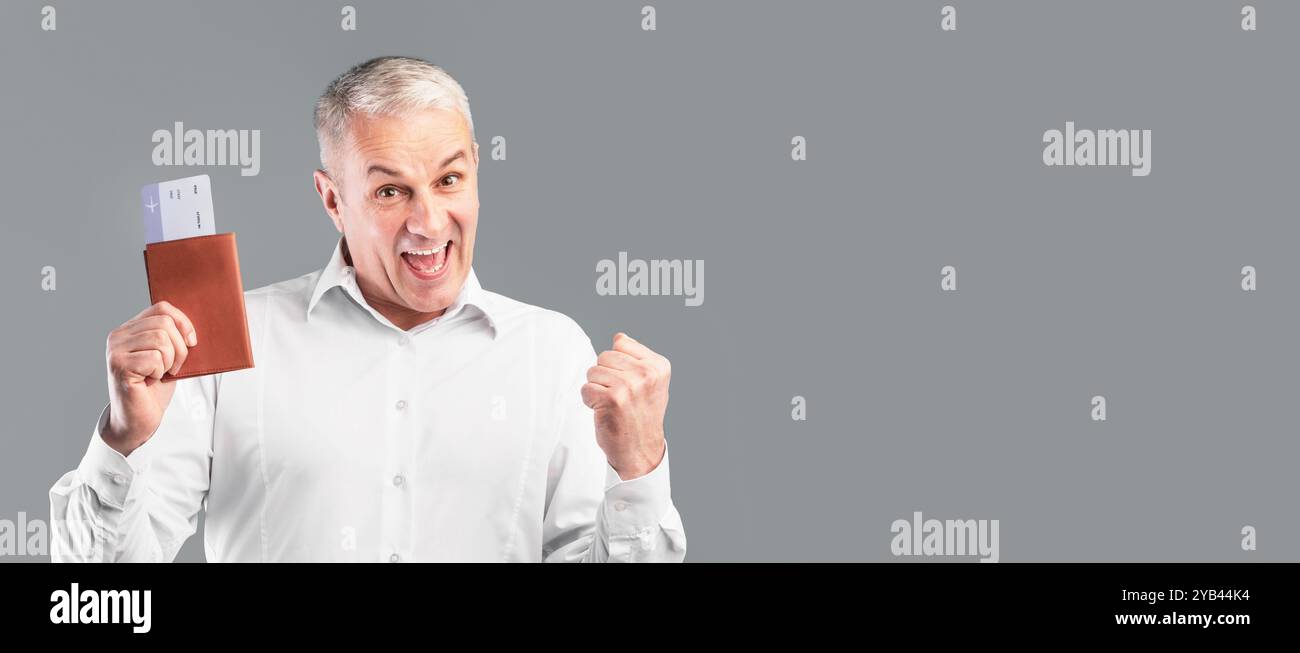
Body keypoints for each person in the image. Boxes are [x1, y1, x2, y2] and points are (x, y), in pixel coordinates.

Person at [48, 56, 686, 562]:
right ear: (332, 200)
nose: (428, 221)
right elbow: (100, 603)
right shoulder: (229, 342)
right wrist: (125, 441)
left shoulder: (553, 353)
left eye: (448, 180)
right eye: (390, 190)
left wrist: (638, 470)